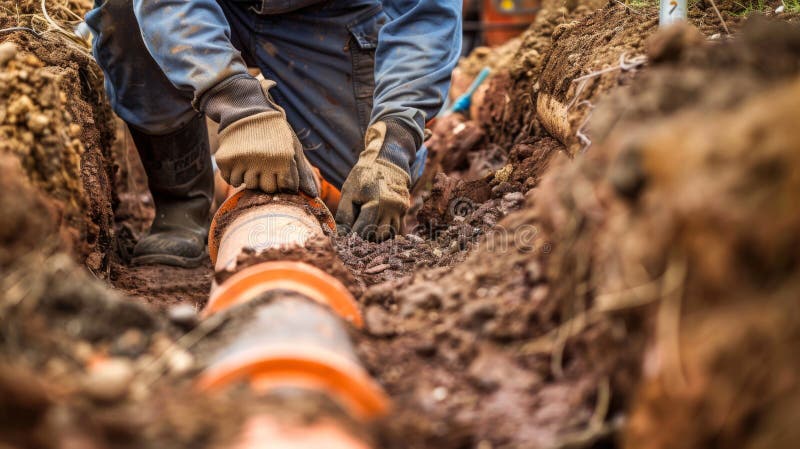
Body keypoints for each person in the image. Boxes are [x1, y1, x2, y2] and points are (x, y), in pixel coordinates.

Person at [84, 0, 462, 267]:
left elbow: (424, 15)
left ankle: (291, 188)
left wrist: (394, 141)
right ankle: (180, 204)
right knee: (124, 12)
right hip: (203, 5)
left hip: (331, 13)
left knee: (366, 193)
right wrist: (239, 106)